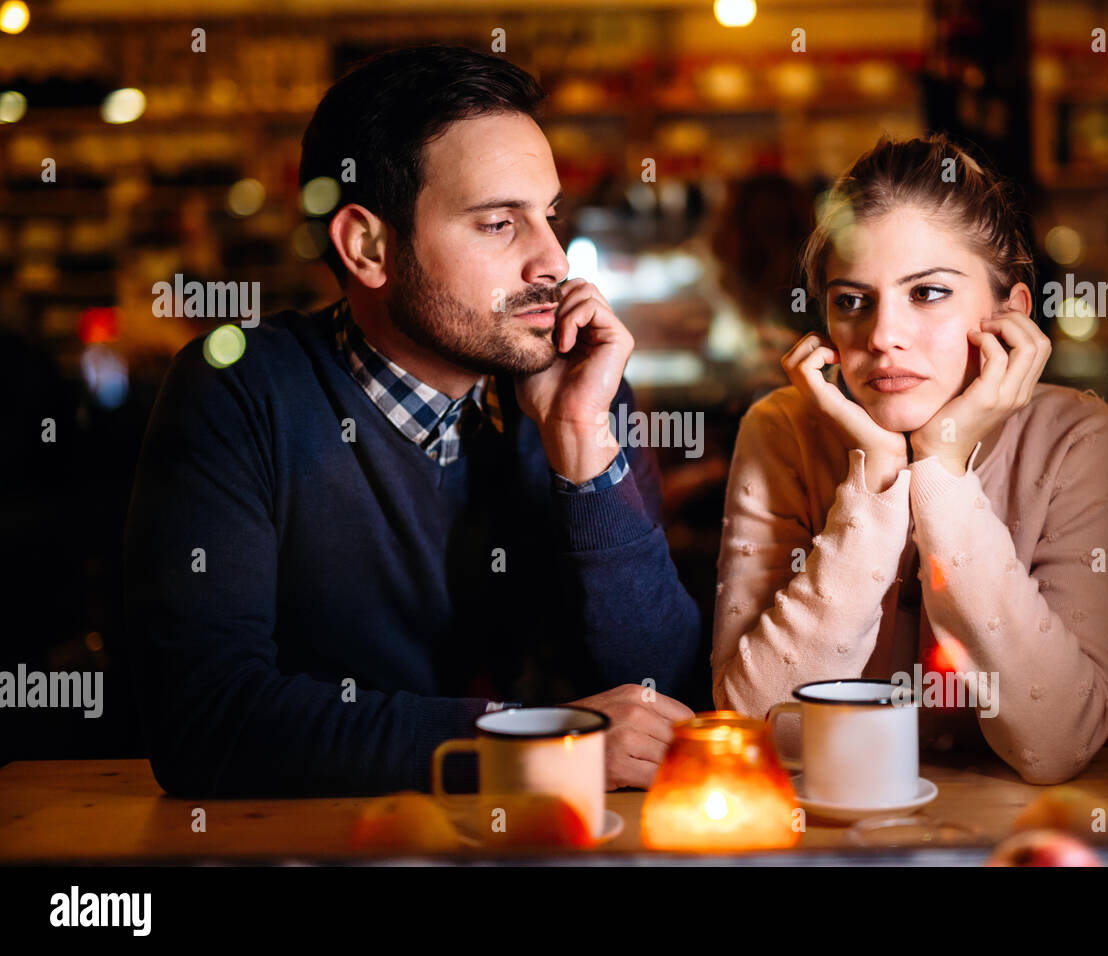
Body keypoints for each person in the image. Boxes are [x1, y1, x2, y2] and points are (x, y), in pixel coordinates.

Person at [123, 45, 700, 798]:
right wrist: (542, 747)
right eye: (499, 224)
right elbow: (205, 723)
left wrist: (585, 454)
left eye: (549, 215)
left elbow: (670, 697)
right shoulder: (240, 393)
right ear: (368, 246)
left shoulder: (578, 393)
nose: (553, 261)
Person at [712, 134, 1108, 786]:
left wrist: (942, 471)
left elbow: (1057, 742)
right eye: (852, 300)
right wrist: (877, 481)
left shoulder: (1080, 440)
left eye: (928, 293)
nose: (882, 336)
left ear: (1008, 313)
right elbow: (757, 733)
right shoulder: (780, 433)